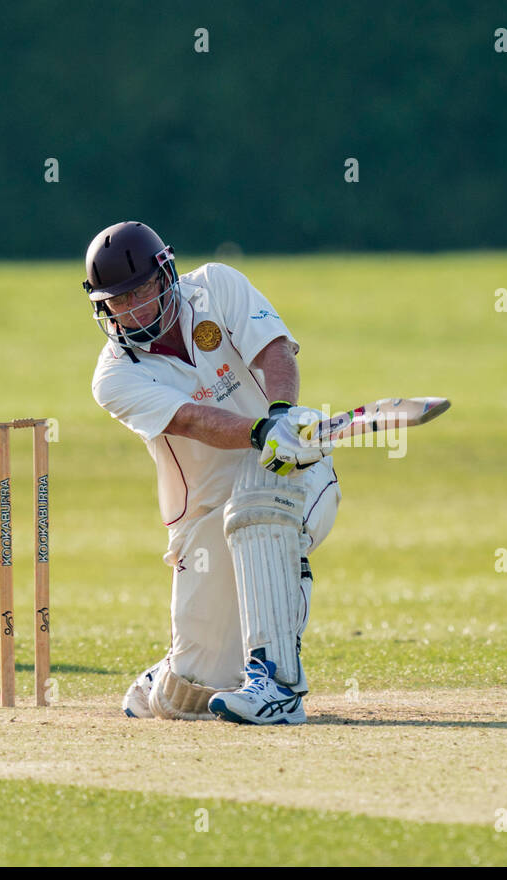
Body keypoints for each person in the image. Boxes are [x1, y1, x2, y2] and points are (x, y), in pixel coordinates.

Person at [86, 221, 340, 725]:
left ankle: (279, 686)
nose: (132, 309)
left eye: (139, 292)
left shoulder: (217, 286)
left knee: (260, 511)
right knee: (187, 697)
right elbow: (192, 419)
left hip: (297, 474)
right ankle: (174, 671)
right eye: (117, 300)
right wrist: (263, 431)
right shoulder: (115, 376)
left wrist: (284, 414)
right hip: (204, 518)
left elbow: (275, 349)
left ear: (165, 277)